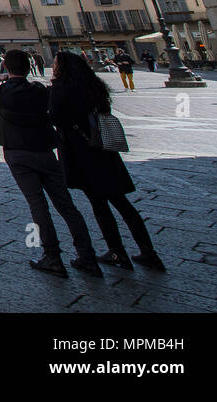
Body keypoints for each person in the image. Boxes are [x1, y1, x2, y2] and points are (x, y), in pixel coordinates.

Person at [0, 49, 101, 278]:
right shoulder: (40, 90)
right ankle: (87, 255)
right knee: (67, 205)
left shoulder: (0, 92)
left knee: (37, 205)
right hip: (45, 152)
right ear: (29, 67)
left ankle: (52, 256)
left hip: (17, 154)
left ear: (5, 68)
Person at [48, 51, 165, 272]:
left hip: (81, 152)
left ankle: (116, 252)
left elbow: (55, 117)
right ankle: (149, 252)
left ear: (61, 68)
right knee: (123, 204)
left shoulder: (61, 88)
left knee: (99, 205)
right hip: (105, 149)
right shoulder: (95, 86)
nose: (53, 67)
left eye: (55, 64)